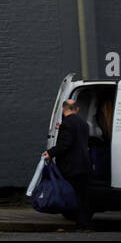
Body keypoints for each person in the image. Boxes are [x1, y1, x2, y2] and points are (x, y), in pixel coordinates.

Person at [44, 98, 92, 230]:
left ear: (63, 109)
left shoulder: (67, 124)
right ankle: (85, 224)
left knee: (73, 195)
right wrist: (62, 128)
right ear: (76, 109)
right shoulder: (84, 124)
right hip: (84, 165)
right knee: (83, 196)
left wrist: (50, 152)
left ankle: (80, 225)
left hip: (72, 167)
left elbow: (65, 145)